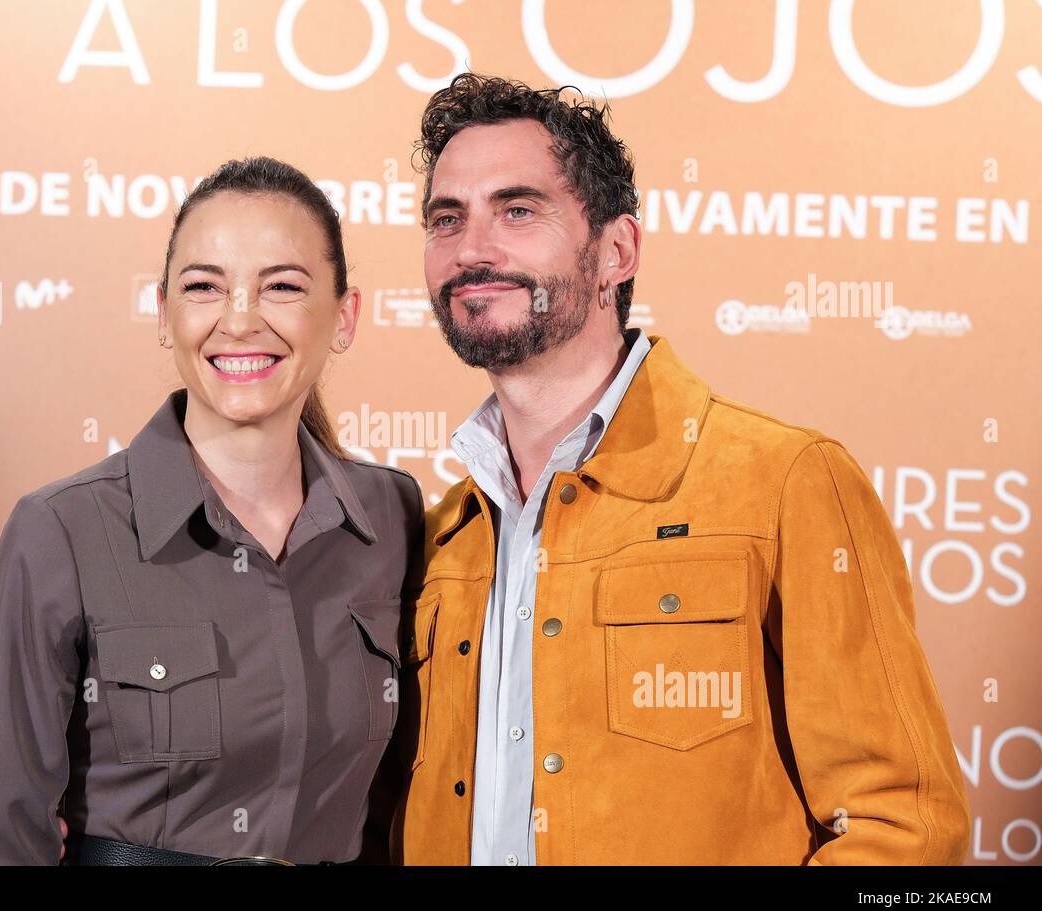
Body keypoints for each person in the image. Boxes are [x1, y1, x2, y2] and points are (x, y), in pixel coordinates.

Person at [371, 73, 971, 865]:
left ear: (617, 250)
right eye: (447, 219)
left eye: (517, 210)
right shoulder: (441, 534)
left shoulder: (786, 480)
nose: (473, 248)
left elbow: (905, 828)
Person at [0, 156, 422, 865]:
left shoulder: (392, 516)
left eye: (283, 287)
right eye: (204, 286)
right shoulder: (60, 532)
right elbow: (0, 833)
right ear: (164, 311)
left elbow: (399, 801)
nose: (239, 321)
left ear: (345, 316)